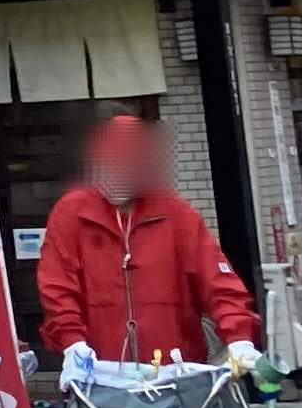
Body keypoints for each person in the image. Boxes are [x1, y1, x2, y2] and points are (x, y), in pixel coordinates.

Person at [35, 110, 262, 378]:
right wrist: (72, 342)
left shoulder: (176, 214)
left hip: (174, 370)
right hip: (99, 371)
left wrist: (239, 338)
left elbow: (219, 282)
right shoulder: (72, 213)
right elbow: (57, 285)